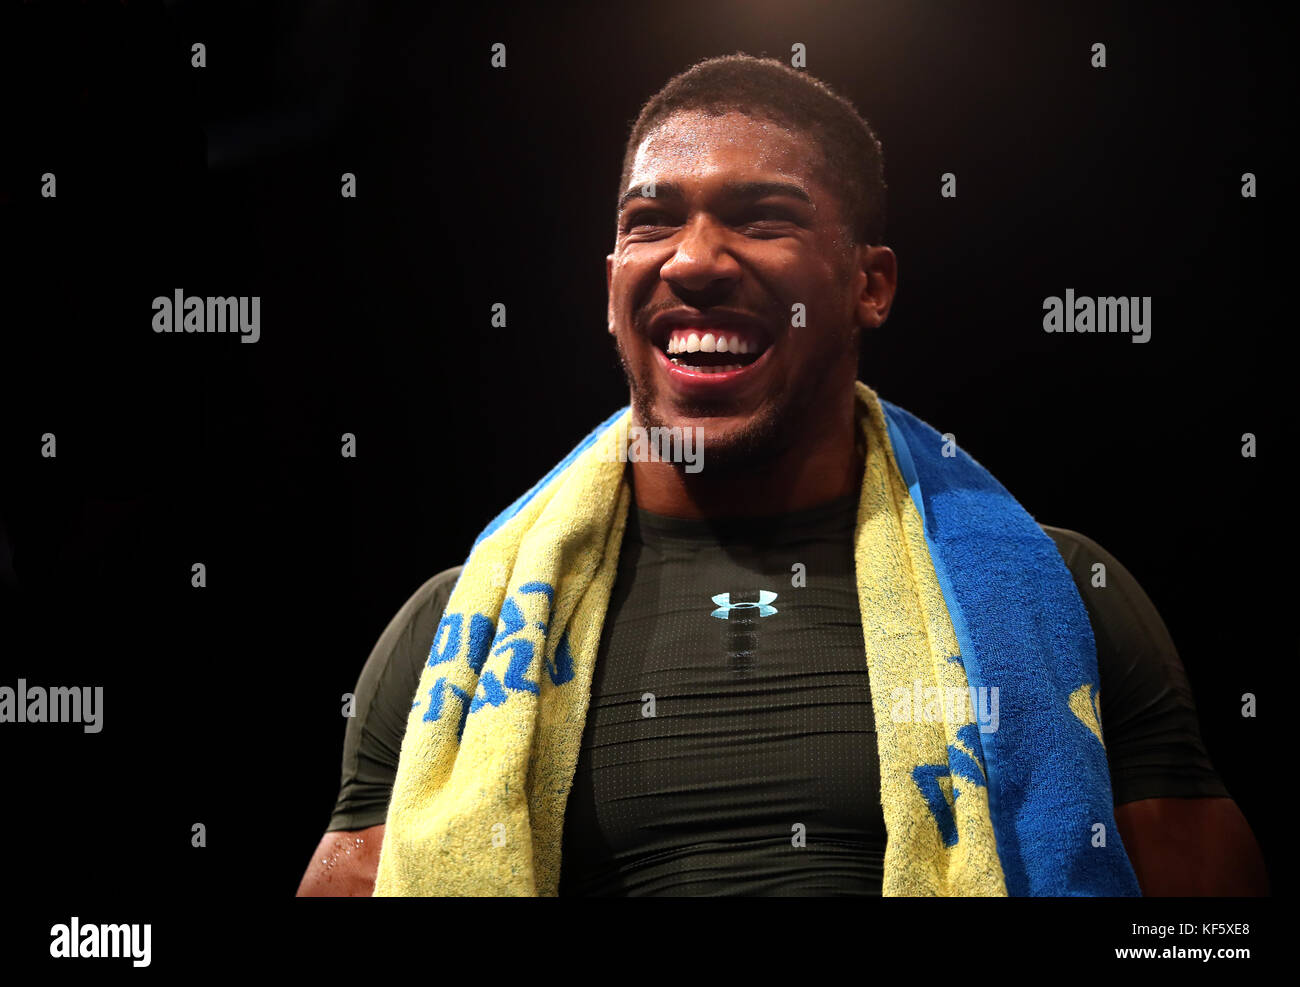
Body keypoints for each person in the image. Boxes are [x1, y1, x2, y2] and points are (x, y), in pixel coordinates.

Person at [297, 54, 1267, 897]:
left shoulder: (1068, 596)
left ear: (867, 285)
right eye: (651, 222)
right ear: (609, 287)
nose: (695, 259)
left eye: (762, 219)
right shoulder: (453, 632)